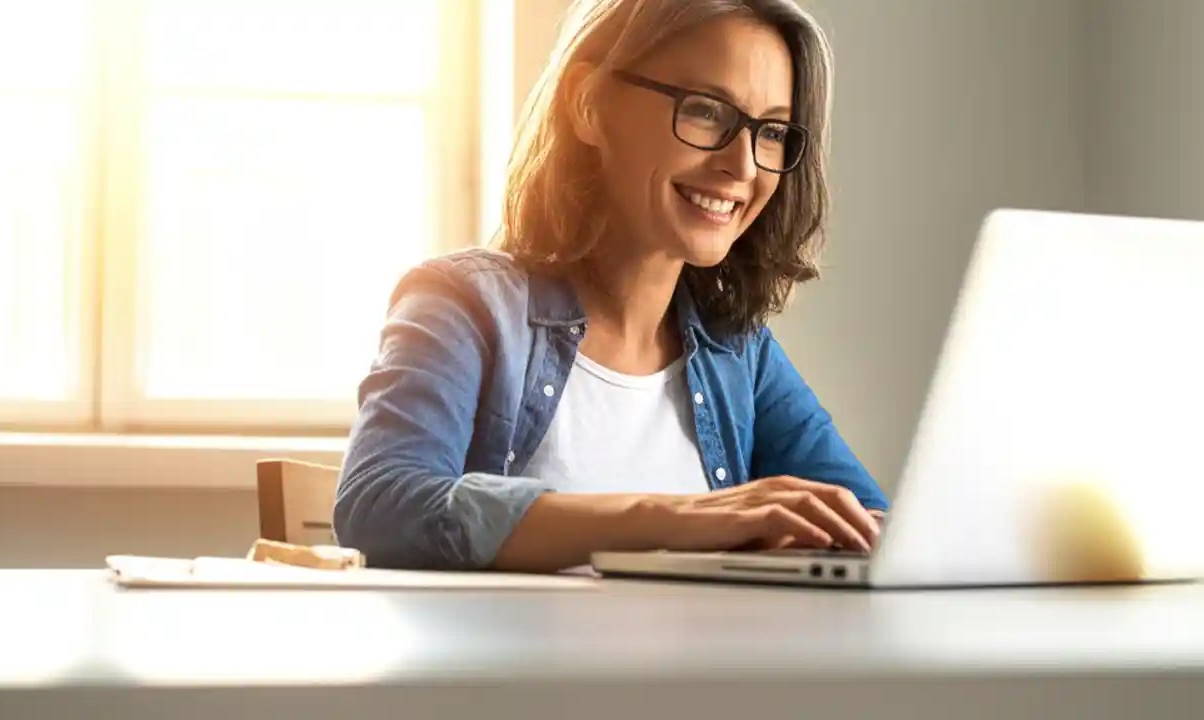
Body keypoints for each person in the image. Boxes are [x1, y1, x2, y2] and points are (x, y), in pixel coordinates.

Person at [334, 0, 889, 572]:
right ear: (588, 104)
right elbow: (380, 505)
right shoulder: (463, 305)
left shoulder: (740, 355)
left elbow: (872, 529)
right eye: (705, 111)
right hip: (508, 665)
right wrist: (679, 520)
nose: (744, 166)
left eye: (771, 131)